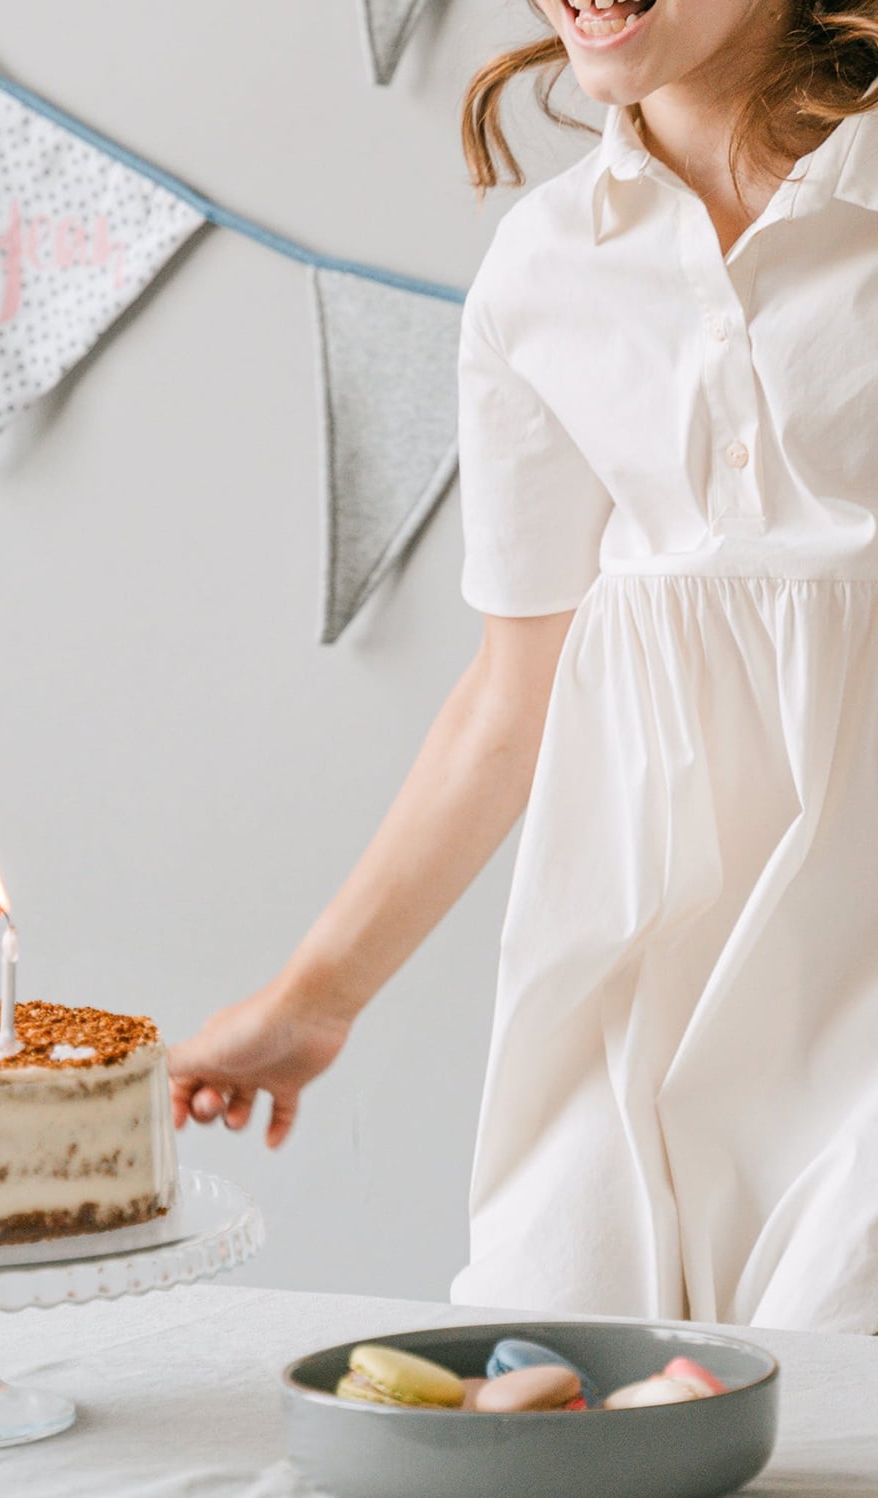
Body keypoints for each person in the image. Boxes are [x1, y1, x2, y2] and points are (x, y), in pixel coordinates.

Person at [170, 0, 878, 1332]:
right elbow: (509, 700)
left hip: (859, 979)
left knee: (828, 1419)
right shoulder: (542, 272)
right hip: (627, 977)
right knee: (566, 1393)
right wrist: (312, 1001)